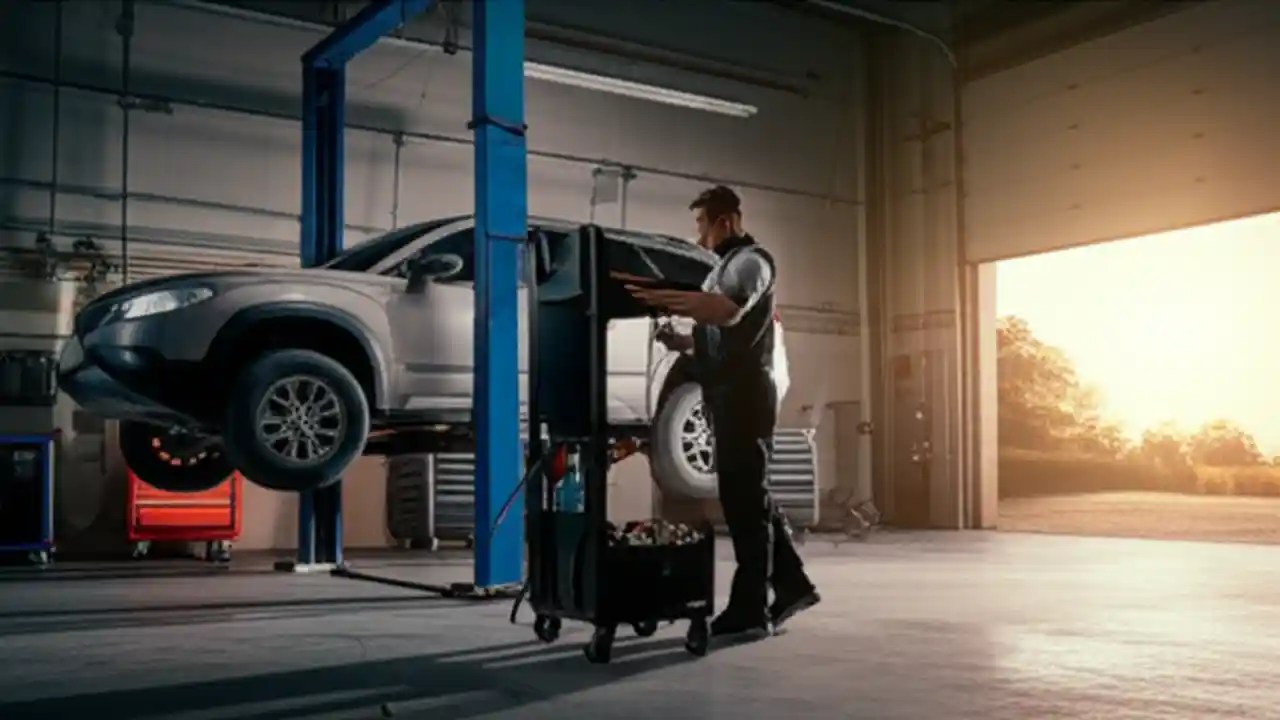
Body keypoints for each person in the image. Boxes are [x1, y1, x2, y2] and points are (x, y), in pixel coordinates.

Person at [623, 185, 820, 638]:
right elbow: (718, 336)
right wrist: (683, 342)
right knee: (750, 497)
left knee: (744, 501)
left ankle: (751, 610)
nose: (698, 237)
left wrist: (661, 296)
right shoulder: (722, 268)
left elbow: (729, 313)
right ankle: (792, 585)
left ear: (724, 222)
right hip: (729, 392)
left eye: (701, 225)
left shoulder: (751, 263)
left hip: (748, 394)